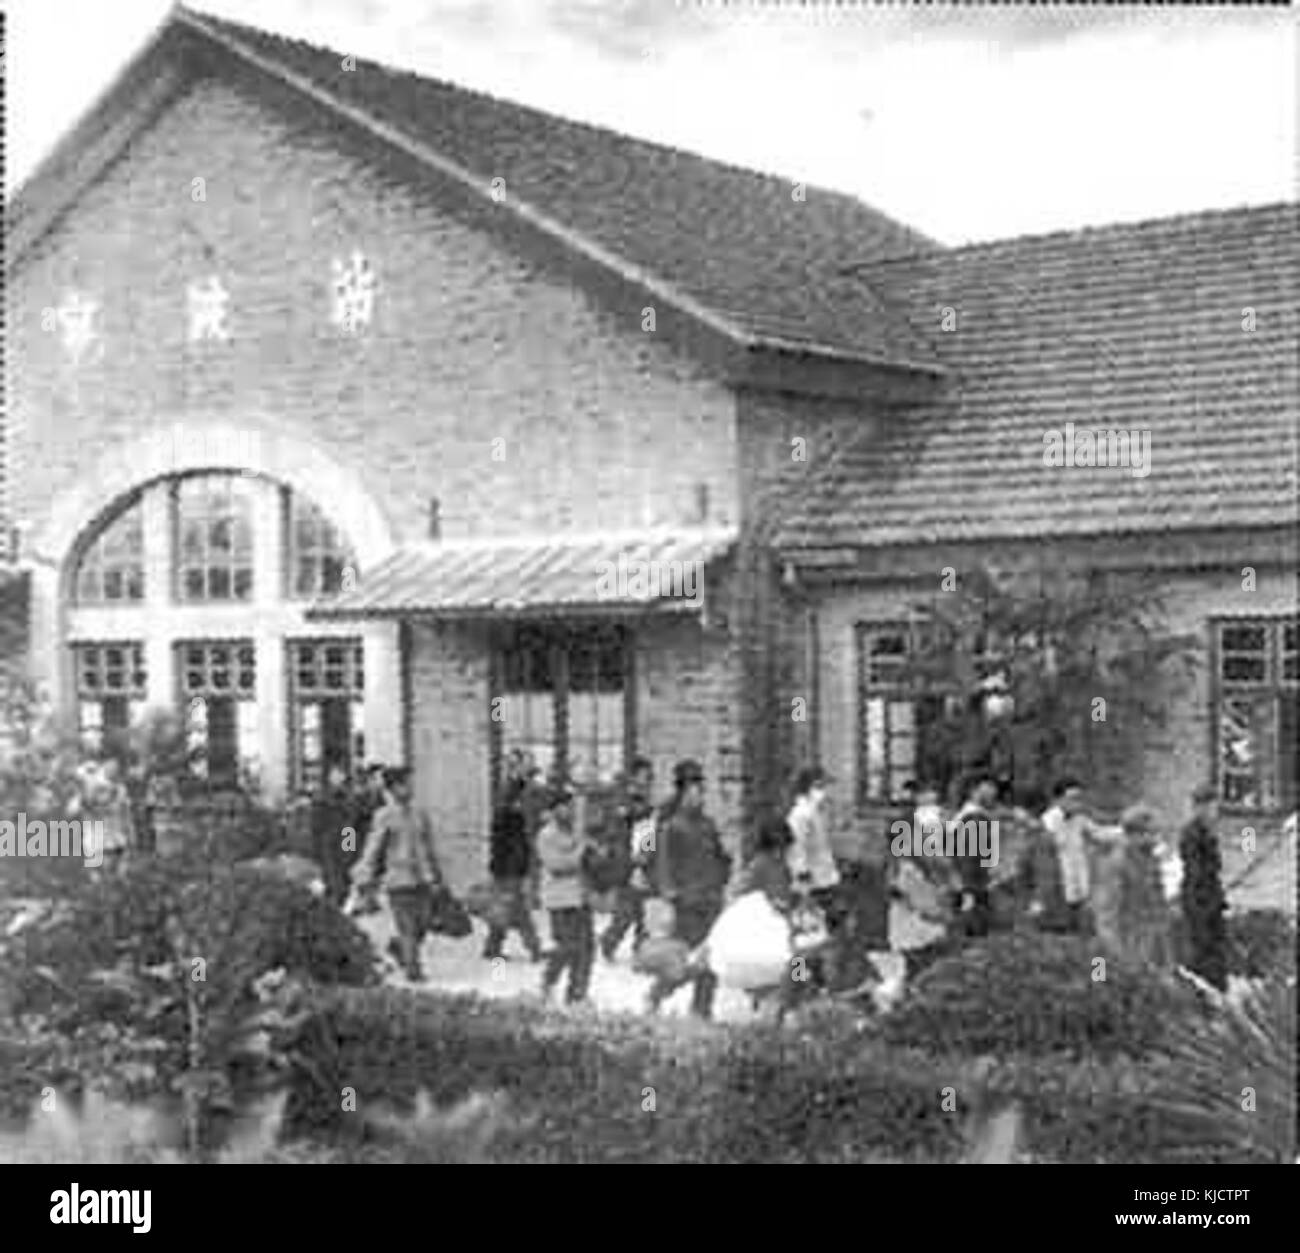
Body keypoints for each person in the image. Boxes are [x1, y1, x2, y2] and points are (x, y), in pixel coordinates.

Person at [648, 759, 732, 1019]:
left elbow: (720, 858)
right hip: (687, 905)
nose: (700, 796)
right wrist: (671, 896)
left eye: (701, 790)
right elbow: (663, 865)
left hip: (710, 900)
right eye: (694, 791)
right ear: (682, 793)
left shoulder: (708, 825)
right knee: (685, 962)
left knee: (711, 960)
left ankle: (702, 1009)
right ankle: (657, 993)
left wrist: (723, 873)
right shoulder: (671, 827)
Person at [352, 766, 444, 982]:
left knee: (423, 923)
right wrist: (361, 871)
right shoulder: (381, 814)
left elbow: (429, 846)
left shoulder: (420, 813)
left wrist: (437, 876)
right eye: (405, 784)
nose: (410, 788)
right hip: (397, 880)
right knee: (408, 926)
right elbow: (365, 842)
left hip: (421, 878)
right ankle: (414, 970)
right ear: (393, 789)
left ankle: (399, 947)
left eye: (411, 783)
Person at [536, 783, 595, 1006]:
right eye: (564, 807)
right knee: (567, 947)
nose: (569, 812)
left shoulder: (576, 833)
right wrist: (581, 851)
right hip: (560, 901)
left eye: (571, 807)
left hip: (580, 898)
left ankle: (577, 994)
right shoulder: (546, 835)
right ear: (554, 810)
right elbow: (557, 865)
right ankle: (548, 980)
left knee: (587, 949)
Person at [483, 751, 543, 962]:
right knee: (516, 907)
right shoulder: (511, 792)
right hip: (509, 862)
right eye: (526, 766)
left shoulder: (517, 790)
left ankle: (493, 947)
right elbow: (506, 829)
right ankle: (534, 948)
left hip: (510, 860)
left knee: (508, 905)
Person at [600, 756, 657, 961]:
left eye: (650, 776)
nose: (649, 780)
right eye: (645, 775)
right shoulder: (623, 799)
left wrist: (648, 854)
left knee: (645, 912)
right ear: (634, 776)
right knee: (626, 911)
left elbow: (648, 831)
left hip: (644, 860)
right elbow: (619, 827)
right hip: (626, 863)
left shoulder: (645, 800)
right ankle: (609, 942)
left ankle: (640, 950)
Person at [1178, 783, 1227, 990]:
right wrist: (1206, 900)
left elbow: (1214, 867)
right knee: (1202, 948)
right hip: (1199, 900)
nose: (1215, 811)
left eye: (1215, 806)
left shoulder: (1208, 830)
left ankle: (1217, 988)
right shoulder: (1192, 833)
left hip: (1211, 897)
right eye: (1211, 807)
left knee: (1216, 945)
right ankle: (1203, 990)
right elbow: (1196, 871)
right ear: (1200, 807)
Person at [1114, 805, 1175, 967]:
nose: (1157, 839)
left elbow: (1158, 897)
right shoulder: (1118, 864)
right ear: (1135, 835)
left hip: (1154, 935)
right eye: (1152, 833)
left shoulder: (1151, 860)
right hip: (1130, 938)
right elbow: (1108, 915)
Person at [947, 776, 996, 940]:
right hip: (973, 887)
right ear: (973, 791)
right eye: (988, 787)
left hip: (968, 885)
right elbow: (969, 858)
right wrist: (970, 890)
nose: (993, 792)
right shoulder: (975, 818)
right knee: (975, 936)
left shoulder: (964, 816)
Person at [312, 763, 355, 908]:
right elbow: (316, 823)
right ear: (330, 777)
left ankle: (339, 900)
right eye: (337, 774)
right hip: (329, 839)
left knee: (344, 871)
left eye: (342, 775)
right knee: (331, 874)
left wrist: (350, 847)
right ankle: (335, 901)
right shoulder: (322, 797)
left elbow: (351, 822)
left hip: (344, 836)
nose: (340, 778)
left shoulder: (348, 796)